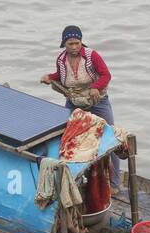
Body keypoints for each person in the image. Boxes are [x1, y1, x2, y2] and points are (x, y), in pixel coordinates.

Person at [40, 25, 119, 188]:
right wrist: (49, 77)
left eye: (77, 43)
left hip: (98, 101)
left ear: (81, 42)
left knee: (111, 137)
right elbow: (62, 77)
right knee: (69, 138)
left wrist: (96, 87)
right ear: (64, 44)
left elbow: (106, 75)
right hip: (74, 101)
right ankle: (73, 177)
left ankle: (115, 183)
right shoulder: (61, 60)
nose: (75, 47)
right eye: (71, 44)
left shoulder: (92, 56)